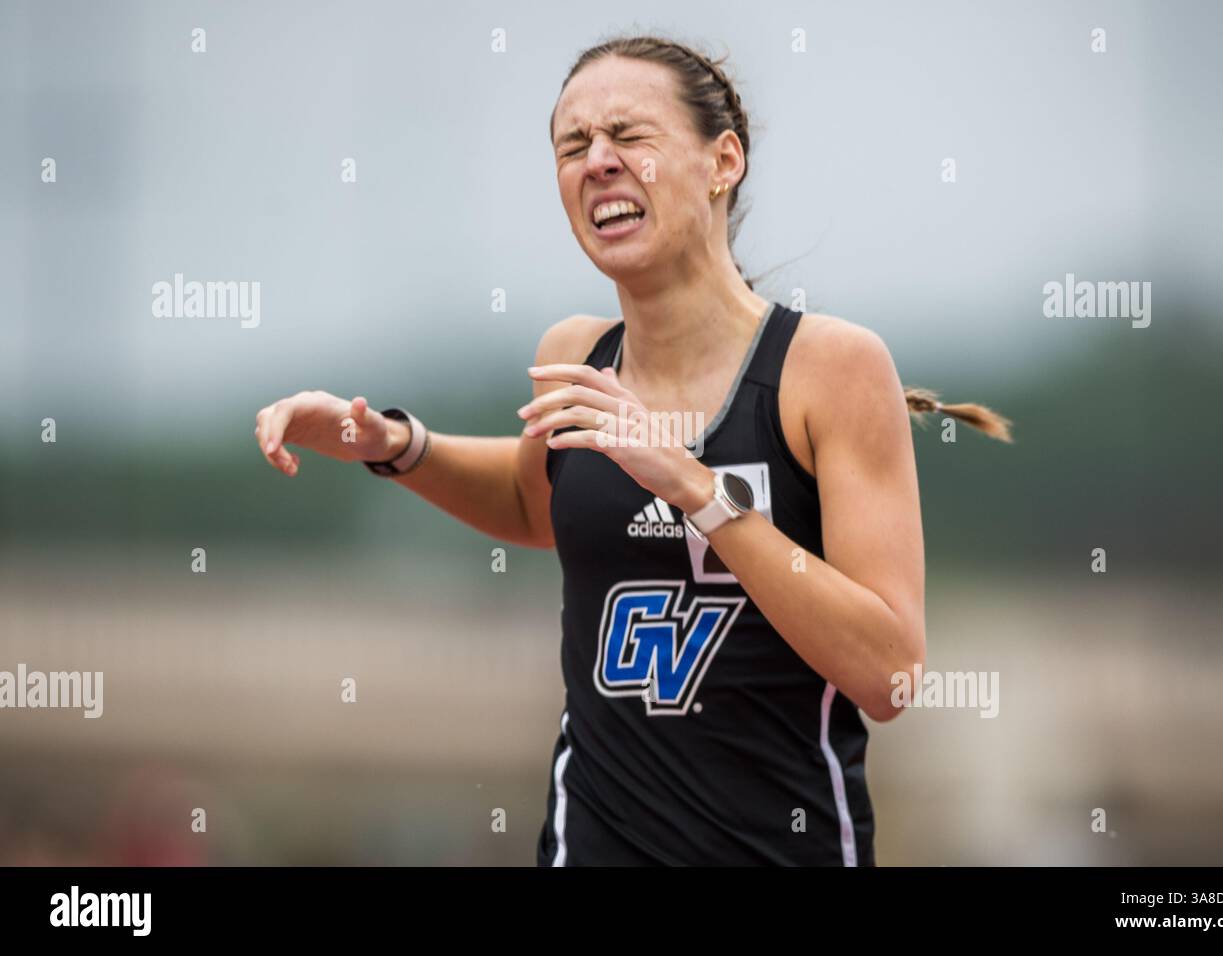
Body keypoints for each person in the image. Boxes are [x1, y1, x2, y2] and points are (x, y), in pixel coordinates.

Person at [253, 34, 1011, 866]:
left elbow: (890, 674)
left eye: (630, 136)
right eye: (573, 146)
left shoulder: (828, 369)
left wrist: (697, 489)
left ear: (723, 161)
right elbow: (528, 502)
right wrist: (387, 441)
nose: (599, 162)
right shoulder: (575, 355)